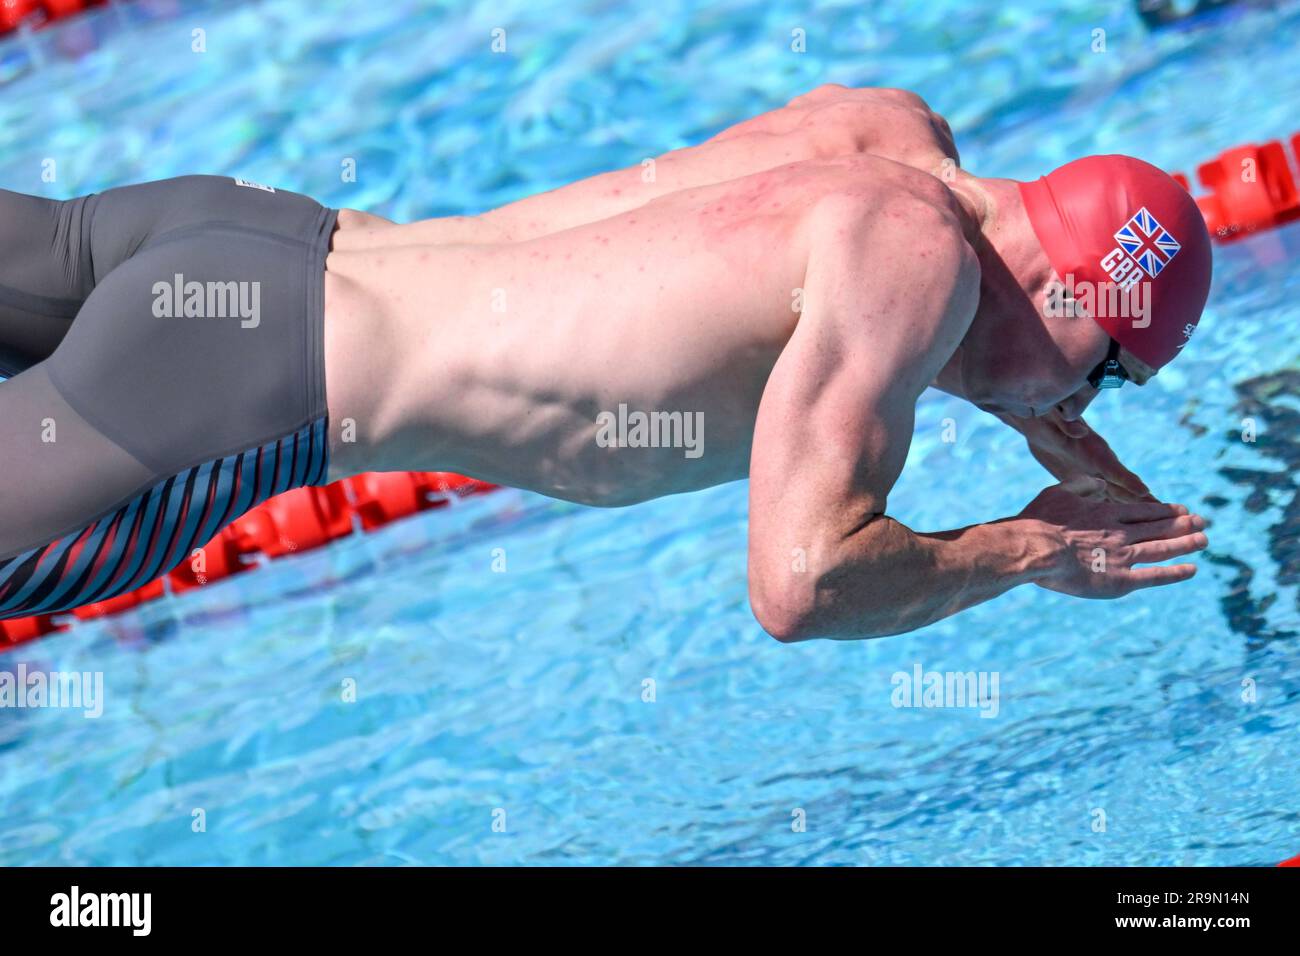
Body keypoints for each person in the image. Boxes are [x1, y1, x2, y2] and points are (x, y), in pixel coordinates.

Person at [0, 85, 1212, 637]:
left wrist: (1030, 397)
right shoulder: (912, 267)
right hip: (251, 375)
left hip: (249, 233)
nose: (1079, 402)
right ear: (1064, 287)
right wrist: (1035, 548)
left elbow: (876, 271)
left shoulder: (890, 137)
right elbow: (801, 582)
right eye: (1105, 371)